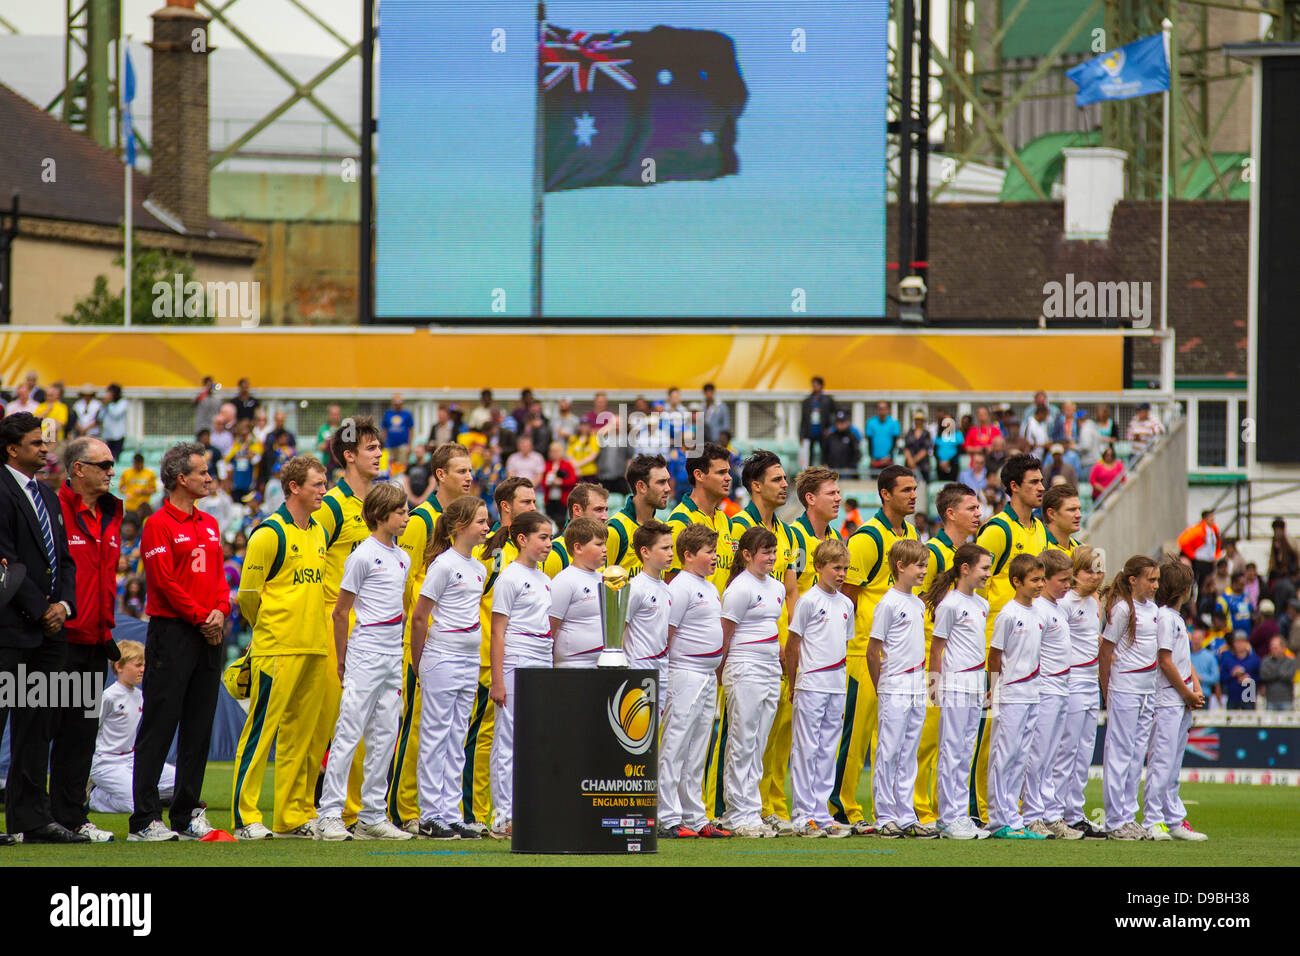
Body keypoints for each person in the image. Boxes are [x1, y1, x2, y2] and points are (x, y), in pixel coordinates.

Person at [130, 441, 228, 842]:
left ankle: (186, 814)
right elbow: (163, 581)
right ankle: (144, 820)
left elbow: (222, 577)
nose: (209, 477)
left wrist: (220, 610)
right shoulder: (157, 524)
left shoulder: (210, 522)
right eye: (202, 472)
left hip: (210, 633)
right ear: (180, 478)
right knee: (158, 725)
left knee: (198, 727)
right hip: (173, 633)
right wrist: (202, 616)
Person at [230, 456, 331, 840]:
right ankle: (245, 817)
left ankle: (291, 815)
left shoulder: (318, 531)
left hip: (314, 645)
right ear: (294, 487)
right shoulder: (268, 533)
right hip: (278, 648)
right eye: (317, 484)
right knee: (260, 733)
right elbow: (248, 597)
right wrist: (270, 630)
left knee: (301, 738)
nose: (323, 490)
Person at [0, 413, 84, 846]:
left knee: (37, 726)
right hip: (9, 630)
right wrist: (40, 607)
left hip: (49, 634)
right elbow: (5, 559)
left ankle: (31, 818)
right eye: (36, 444)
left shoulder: (48, 497)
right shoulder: (0, 490)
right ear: (13, 449)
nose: (46, 450)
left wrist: (63, 606)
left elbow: (64, 560)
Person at [317, 482, 413, 842]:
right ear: (379, 515)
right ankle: (329, 813)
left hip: (391, 655)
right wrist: (343, 659)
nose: (405, 516)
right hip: (365, 651)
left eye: (405, 510)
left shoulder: (402, 557)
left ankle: (372, 813)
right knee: (349, 731)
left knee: (386, 734)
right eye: (399, 511)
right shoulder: (360, 556)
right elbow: (341, 613)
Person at [388, 441, 476, 829]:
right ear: (440, 475)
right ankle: (405, 809)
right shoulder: (421, 520)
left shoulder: (465, 521)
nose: (469, 477)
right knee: (415, 729)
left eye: (470, 470)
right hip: (421, 638)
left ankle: (439, 809)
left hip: (451, 642)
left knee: (444, 731)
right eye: (460, 471)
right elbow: (404, 578)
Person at [833, 464, 918, 832]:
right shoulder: (867, 538)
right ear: (885, 494)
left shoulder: (911, 532)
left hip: (897, 653)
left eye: (915, 489)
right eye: (905, 490)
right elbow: (846, 597)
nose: (913, 495)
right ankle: (843, 807)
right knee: (856, 734)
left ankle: (893, 811)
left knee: (890, 739)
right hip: (864, 649)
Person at [49, 436, 122, 843]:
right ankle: (31, 819)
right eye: (104, 464)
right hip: (58, 640)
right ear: (78, 469)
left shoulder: (110, 513)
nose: (112, 471)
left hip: (94, 640)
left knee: (80, 733)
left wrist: (107, 633)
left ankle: (72, 817)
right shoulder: (51, 508)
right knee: (41, 728)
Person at [313, 415, 384, 828]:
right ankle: (306, 812)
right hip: (331, 624)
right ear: (348, 456)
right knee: (324, 725)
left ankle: (355, 812)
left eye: (378, 447)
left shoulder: (375, 506)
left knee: (367, 729)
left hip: (371, 629)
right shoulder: (330, 508)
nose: (379, 454)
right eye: (371, 448)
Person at [970, 453, 1046, 823]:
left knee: (1019, 737)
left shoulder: (1039, 528)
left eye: (1042, 481)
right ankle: (982, 810)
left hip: (1027, 643)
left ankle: (1010, 808)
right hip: (995, 642)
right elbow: (976, 582)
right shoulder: (998, 529)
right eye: (1034, 482)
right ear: (1014, 487)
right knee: (991, 734)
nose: (1042, 488)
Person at [409, 496, 490, 839]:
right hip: (441, 655)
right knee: (435, 733)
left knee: (457, 735)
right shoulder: (443, 564)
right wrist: (419, 663)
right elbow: (419, 617)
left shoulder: (480, 567)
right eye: (480, 522)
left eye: (487, 521)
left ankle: (450, 810)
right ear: (459, 527)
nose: (487, 527)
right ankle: (430, 813)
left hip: (469, 657)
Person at [730, 451, 800, 835]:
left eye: (785, 478)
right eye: (776, 479)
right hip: (743, 651)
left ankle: (764, 807)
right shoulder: (736, 526)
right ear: (755, 486)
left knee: (769, 736)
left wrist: (791, 645)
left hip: (775, 647)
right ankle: (725, 810)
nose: (785, 484)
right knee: (738, 735)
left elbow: (790, 593)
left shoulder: (788, 533)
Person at [913, 482, 983, 826]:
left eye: (979, 507)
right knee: (927, 741)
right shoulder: (934, 552)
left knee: (952, 743)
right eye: (971, 508)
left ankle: (945, 810)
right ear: (950, 514)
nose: (978, 513)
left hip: (955, 661)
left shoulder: (966, 555)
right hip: (934, 659)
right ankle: (918, 809)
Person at [658, 525, 731, 839]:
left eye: (715, 551)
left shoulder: (709, 586)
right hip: (685, 673)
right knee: (675, 745)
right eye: (708, 552)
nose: (715, 558)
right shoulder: (681, 587)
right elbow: (668, 633)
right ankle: (667, 816)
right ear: (688, 555)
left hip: (705, 675)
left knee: (698, 748)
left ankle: (695, 815)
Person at [487, 510, 554, 840]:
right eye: (542, 537)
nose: (549, 543)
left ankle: (526, 807)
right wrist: (497, 680)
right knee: (508, 736)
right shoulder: (509, 577)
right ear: (522, 539)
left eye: (551, 537)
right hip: (516, 658)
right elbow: (497, 631)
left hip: (542, 657)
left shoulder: (545, 579)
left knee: (534, 738)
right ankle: (502, 814)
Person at [716, 526, 786, 838]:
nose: (771, 557)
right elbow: (725, 637)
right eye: (765, 552)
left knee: (758, 743)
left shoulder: (777, 587)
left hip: (770, 669)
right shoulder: (739, 589)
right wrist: (721, 675)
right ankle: (736, 814)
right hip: (744, 669)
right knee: (743, 741)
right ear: (747, 555)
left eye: (774, 552)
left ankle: (751, 810)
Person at [785, 538, 853, 839]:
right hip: (810, 683)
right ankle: (802, 815)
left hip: (836, 685)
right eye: (836, 568)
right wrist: (793, 681)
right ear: (818, 567)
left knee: (827, 750)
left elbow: (844, 645)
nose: (841, 574)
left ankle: (821, 813)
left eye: (845, 569)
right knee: (806, 748)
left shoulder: (847, 603)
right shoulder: (808, 601)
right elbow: (792, 646)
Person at [922, 542, 991, 840]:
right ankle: (948, 817)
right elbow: (937, 647)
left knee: (966, 751)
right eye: (984, 568)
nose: (989, 574)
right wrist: (935, 683)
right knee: (951, 750)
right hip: (955, 684)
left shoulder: (982, 604)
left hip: (976, 683)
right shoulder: (950, 604)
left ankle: (960, 815)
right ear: (965, 569)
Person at [865, 539, 931, 838]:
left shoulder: (918, 603)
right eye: (919, 565)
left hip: (916, 685)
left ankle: (905, 814)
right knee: (889, 751)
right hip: (894, 685)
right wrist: (883, 687)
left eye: (925, 565)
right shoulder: (887, 603)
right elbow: (872, 650)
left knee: (908, 753)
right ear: (900, 566)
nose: (923, 571)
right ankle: (884, 815)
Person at [985, 553, 1048, 840]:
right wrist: (995, 689)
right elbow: (995, 655)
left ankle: (1014, 816)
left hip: (1032, 693)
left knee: (1021, 757)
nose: (1040, 584)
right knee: (1005, 755)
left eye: (1042, 579)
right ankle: (999, 820)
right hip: (1010, 694)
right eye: (1034, 580)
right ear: (1016, 581)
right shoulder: (1008, 614)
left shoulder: (1037, 612)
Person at [1020, 549, 1081, 839]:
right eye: (1063, 580)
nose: (1069, 585)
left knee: (1052, 756)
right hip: (1044, 689)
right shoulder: (1039, 610)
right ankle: (1032, 815)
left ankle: (1050, 813)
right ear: (1044, 580)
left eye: (1070, 579)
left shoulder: (1057, 607)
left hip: (1061, 688)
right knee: (1038, 755)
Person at [1147, 560, 1210, 840]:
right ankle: (1153, 819)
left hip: (1181, 699)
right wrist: (1185, 692)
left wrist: (1194, 687)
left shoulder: (1176, 618)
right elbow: (1165, 659)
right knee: (1162, 761)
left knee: (1173, 763)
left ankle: (1173, 818)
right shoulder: (1164, 617)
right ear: (1184, 589)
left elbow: (1184, 661)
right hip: (1168, 699)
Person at [1099, 555, 1160, 839]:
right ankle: (1113, 820)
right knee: (1119, 754)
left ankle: (1127, 815)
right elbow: (1106, 651)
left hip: (1147, 690)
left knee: (1136, 756)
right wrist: (1107, 690)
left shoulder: (1153, 609)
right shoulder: (1123, 609)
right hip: (1125, 689)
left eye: (1157, 579)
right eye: (1151, 579)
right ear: (1133, 580)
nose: (1156, 585)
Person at [87, 640, 176, 813]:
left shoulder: (141, 696)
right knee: (137, 804)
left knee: (179, 782)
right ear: (119, 667)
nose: (143, 669)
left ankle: (146, 794)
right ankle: (96, 797)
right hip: (107, 763)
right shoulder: (108, 697)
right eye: (137, 665)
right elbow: (90, 730)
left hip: (133, 759)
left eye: (144, 664)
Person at [1057, 546, 1107, 838]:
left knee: (1084, 751)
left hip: (1090, 683)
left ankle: (1074, 812)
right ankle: (1056, 812)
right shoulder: (1065, 603)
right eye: (1089, 570)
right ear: (1075, 573)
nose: (1096, 575)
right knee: (1066, 749)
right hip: (1071, 681)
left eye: (1099, 569)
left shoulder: (1094, 601)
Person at [623, 520, 675, 711]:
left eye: (671, 547)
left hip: (661, 670)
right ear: (645, 552)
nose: (671, 553)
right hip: (639, 670)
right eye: (664, 548)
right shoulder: (635, 588)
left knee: (656, 731)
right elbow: (620, 628)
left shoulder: (667, 589)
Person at [548, 517, 607, 668]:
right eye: (599, 544)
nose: (605, 549)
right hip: (572, 667)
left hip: (601, 666)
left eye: (605, 544)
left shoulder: (603, 579)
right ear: (578, 548)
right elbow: (550, 630)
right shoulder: (564, 581)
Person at [607, 454, 672, 578]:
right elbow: (600, 584)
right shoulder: (615, 530)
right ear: (641, 486)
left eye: (668, 481)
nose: (668, 488)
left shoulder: (661, 528)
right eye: (661, 482)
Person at [1178, 510, 1222, 588]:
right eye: (1210, 517)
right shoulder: (1198, 530)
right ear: (1205, 518)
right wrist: (1193, 556)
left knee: (1205, 584)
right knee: (1195, 583)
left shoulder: (1213, 530)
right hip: (1199, 561)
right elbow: (1183, 542)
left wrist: (1215, 556)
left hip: (1208, 561)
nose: (1213, 519)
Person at [799, 377, 836, 467]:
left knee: (824, 452)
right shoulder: (807, 401)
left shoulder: (827, 400)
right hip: (810, 431)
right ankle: (810, 470)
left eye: (817, 384)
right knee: (809, 454)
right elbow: (803, 419)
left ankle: (823, 469)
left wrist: (831, 428)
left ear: (821, 386)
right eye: (813, 385)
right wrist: (801, 435)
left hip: (823, 432)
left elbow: (835, 413)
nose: (815, 387)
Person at [1218, 633, 1260, 710]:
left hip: (1249, 698)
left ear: (1247, 643)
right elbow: (1221, 678)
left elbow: (1261, 678)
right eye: (1236, 642)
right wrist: (1232, 674)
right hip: (1232, 698)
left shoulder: (1255, 660)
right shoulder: (1227, 659)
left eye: (1241, 642)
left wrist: (1250, 679)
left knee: (1249, 720)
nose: (1239, 645)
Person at [540, 440, 577, 525]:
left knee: (560, 520)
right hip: (549, 498)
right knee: (548, 520)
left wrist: (560, 482)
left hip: (562, 498)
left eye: (556, 451)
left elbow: (573, 480)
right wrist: (548, 482)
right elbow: (542, 480)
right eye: (552, 451)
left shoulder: (567, 465)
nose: (554, 453)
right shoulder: (547, 465)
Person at [1260, 636, 1297, 711]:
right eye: (1272, 648)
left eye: (1275, 648)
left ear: (1283, 648)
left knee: (1287, 722)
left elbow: (1289, 676)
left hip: (1286, 700)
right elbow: (1264, 676)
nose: (1273, 650)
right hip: (1270, 700)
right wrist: (1281, 673)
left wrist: (1272, 673)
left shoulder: (1291, 661)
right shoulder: (1265, 661)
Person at [1043, 483, 1082, 554]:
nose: (1079, 515)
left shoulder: (1081, 550)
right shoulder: (1038, 546)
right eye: (1072, 509)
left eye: (1079, 509)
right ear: (1051, 514)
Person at [118, 452, 157, 519]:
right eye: (135, 463)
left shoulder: (149, 474)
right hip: (130, 506)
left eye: (139, 463)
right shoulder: (126, 473)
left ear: (142, 463)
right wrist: (126, 493)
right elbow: (120, 488)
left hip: (143, 507)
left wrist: (143, 491)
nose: (137, 465)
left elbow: (154, 490)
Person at [864, 402, 901, 473]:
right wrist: (871, 457)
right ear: (877, 410)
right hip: (875, 460)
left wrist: (889, 457)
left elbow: (895, 442)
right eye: (880, 409)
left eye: (884, 409)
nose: (882, 411)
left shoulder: (894, 423)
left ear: (888, 410)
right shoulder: (870, 422)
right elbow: (869, 442)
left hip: (889, 460)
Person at [824, 409, 861, 478]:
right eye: (838, 422)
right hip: (832, 472)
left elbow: (857, 454)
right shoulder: (830, 437)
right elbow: (825, 452)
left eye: (842, 422)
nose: (839, 424)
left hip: (847, 474)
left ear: (847, 422)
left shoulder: (852, 436)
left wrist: (850, 467)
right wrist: (825, 464)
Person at [903, 411, 932, 482]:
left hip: (923, 465)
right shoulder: (909, 432)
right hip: (909, 465)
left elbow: (925, 449)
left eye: (920, 420)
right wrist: (910, 461)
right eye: (917, 419)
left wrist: (914, 460)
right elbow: (906, 448)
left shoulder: (926, 434)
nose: (918, 421)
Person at [933, 415, 962, 482]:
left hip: (953, 464)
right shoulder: (939, 435)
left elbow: (959, 451)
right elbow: (935, 450)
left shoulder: (957, 434)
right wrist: (940, 462)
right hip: (940, 465)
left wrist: (948, 461)